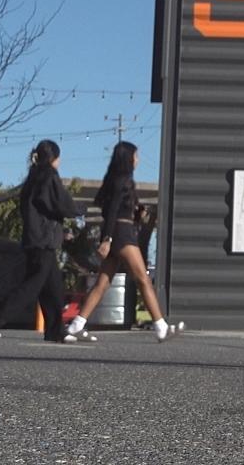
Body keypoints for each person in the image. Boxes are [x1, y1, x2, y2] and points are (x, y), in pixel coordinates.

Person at [66, 141, 182, 342]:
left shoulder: (115, 180)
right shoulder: (124, 181)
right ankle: (161, 326)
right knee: (143, 278)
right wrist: (108, 239)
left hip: (119, 231)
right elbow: (112, 212)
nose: (137, 160)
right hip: (121, 234)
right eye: (135, 156)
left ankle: (76, 325)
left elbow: (112, 209)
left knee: (103, 282)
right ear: (127, 158)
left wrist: (135, 214)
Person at [0, 139, 81, 342]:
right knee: (33, 284)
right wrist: (78, 211)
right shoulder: (48, 176)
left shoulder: (32, 177)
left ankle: (56, 331)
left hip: (35, 238)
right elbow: (59, 203)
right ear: (53, 157)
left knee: (52, 287)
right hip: (42, 239)